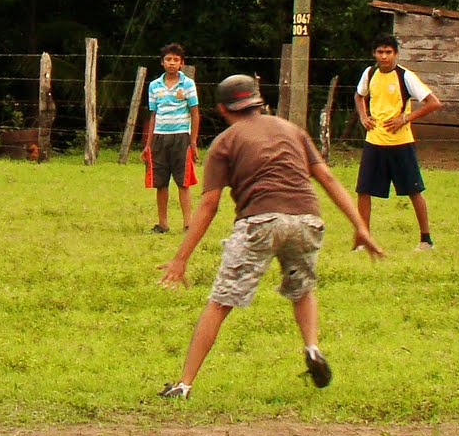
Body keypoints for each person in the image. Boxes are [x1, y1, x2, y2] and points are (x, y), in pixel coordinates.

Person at [156, 74, 383, 398]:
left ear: (222, 108)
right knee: (301, 288)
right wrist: (360, 227)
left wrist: (180, 259)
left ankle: (184, 385)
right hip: (306, 220)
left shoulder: (225, 142)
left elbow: (208, 205)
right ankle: (313, 348)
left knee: (220, 303)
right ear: (258, 101)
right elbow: (328, 179)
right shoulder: (292, 130)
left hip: (259, 223)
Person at [353, 33, 443, 251]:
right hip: (374, 142)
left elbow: (433, 103)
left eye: (388, 52)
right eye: (380, 52)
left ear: (395, 54)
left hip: (401, 143)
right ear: (374, 54)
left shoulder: (405, 76)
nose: (384, 57)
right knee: (364, 191)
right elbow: (359, 96)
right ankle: (363, 240)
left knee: (413, 190)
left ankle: (425, 239)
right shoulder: (370, 73)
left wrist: (405, 118)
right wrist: (364, 117)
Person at [141, 43, 199, 234]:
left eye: (175, 60)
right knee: (161, 183)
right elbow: (153, 115)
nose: (172, 63)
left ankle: (188, 224)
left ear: (181, 63)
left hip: (181, 137)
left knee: (183, 182)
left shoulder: (188, 84)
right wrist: (148, 145)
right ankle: (162, 223)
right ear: (162, 62)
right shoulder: (154, 86)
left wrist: (193, 141)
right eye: (168, 59)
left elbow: (195, 113)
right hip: (159, 138)